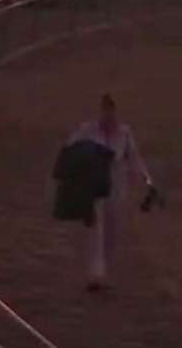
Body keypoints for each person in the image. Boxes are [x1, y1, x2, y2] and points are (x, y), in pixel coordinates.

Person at [63, 94, 156, 291]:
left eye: (112, 111)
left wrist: (147, 181)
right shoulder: (88, 130)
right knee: (97, 228)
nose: (109, 115)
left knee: (112, 230)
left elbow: (135, 159)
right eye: (106, 110)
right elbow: (70, 147)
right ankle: (96, 275)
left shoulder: (124, 133)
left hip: (116, 186)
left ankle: (104, 273)